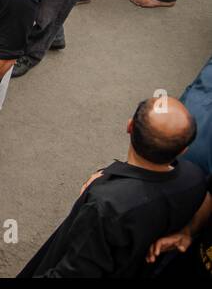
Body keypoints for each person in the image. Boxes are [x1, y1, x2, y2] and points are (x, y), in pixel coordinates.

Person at [21, 97, 207, 277]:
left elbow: (76, 271)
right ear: (184, 150)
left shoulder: (107, 205)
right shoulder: (195, 178)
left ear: (129, 126)